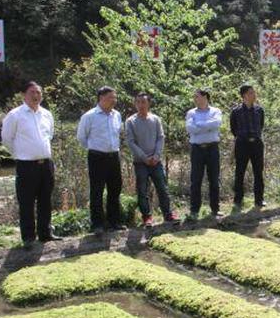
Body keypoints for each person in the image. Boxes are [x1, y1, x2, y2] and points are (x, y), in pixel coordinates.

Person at [1, 81, 60, 249]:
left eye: (39, 93)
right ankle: (28, 237)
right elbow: (7, 139)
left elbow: (50, 136)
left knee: (45, 200)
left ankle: (45, 233)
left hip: (46, 164)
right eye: (32, 92)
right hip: (26, 165)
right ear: (24, 95)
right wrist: (20, 154)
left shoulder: (47, 114)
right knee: (26, 202)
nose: (36, 96)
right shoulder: (15, 115)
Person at [125, 93, 179, 227]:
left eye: (143, 102)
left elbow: (161, 138)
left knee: (162, 188)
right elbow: (131, 142)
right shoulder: (130, 121)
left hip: (156, 161)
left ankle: (168, 214)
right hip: (140, 162)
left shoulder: (155, 119)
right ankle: (147, 217)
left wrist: (156, 156)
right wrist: (144, 157)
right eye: (138, 102)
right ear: (135, 104)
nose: (140, 105)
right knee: (142, 190)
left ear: (148, 103)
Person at [77, 86, 125, 235]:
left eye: (115, 97)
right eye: (111, 97)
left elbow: (119, 134)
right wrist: (94, 149)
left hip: (114, 156)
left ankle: (114, 221)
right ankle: (97, 224)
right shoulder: (90, 116)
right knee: (97, 191)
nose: (114, 100)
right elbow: (81, 137)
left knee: (115, 189)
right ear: (101, 98)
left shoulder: (116, 115)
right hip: (97, 157)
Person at [186, 88, 223, 220]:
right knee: (196, 180)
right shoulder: (191, 113)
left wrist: (199, 124)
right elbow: (190, 128)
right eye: (194, 97)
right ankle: (194, 210)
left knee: (214, 179)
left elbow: (217, 123)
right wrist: (207, 126)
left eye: (197, 96)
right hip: (197, 149)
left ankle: (215, 209)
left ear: (205, 97)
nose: (195, 99)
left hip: (212, 148)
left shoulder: (216, 111)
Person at [230, 83, 265, 210]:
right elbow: (233, 129)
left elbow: (261, 126)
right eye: (251, 93)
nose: (254, 95)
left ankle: (259, 199)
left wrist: (254, 137)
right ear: (244, 95)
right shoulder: (236, 111)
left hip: (256, 143)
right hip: (242, 144)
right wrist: (243, 137)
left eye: (254, 92)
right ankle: (238, 200)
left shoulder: (259, 110)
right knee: (240, 172)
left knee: (258, 172)